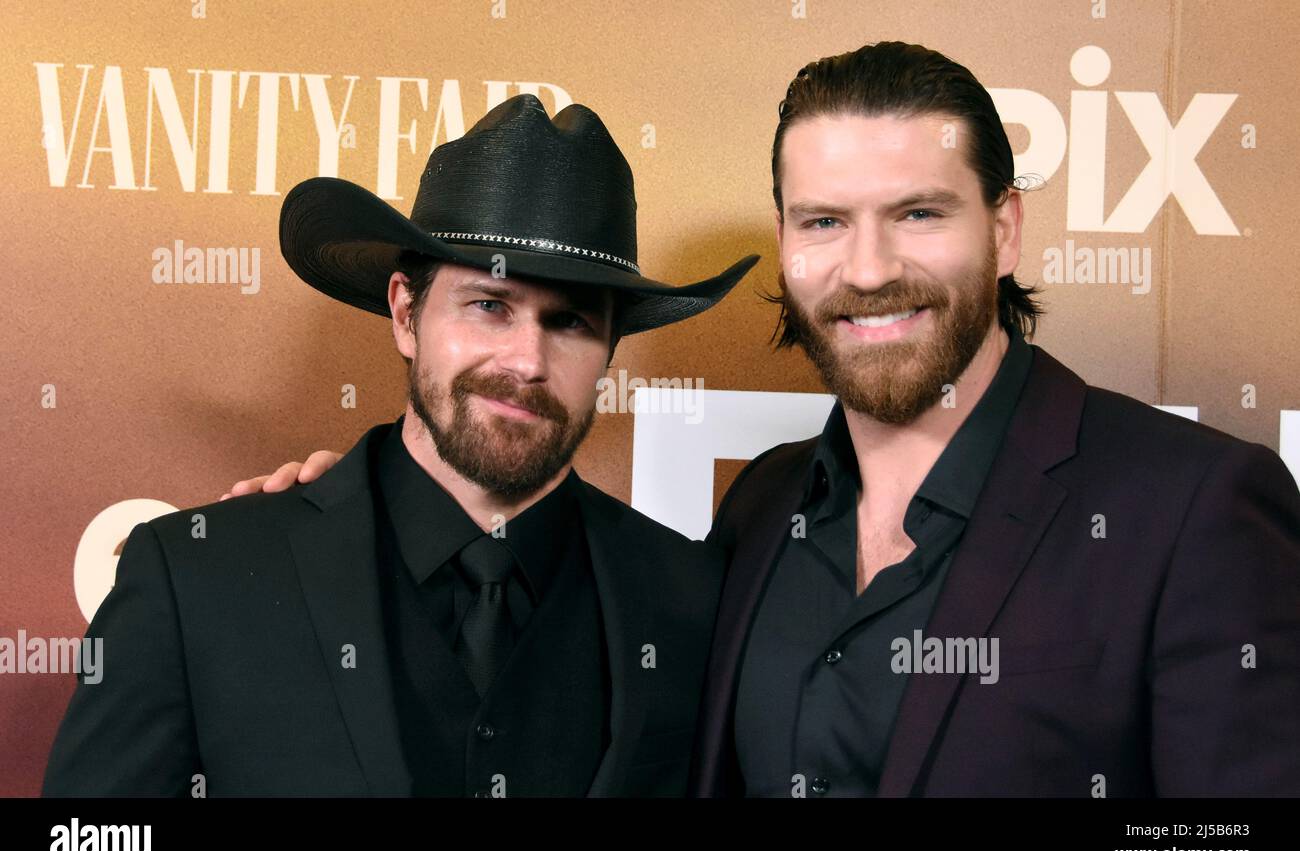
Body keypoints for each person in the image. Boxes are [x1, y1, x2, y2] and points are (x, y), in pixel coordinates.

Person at [226, 43, 1300, 798]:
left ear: (1004, 227)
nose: (868, 269)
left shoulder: (1189, 508)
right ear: (787, 241)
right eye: (824, 221)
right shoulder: (760, 512)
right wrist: (337, 535)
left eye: (917, 213)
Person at [42, 94, 758, 798]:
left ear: (609, 351)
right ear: (405, 313)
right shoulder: (197, 576)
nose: (526, 360)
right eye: (489, 306)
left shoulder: (693, 599)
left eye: (569, 321)